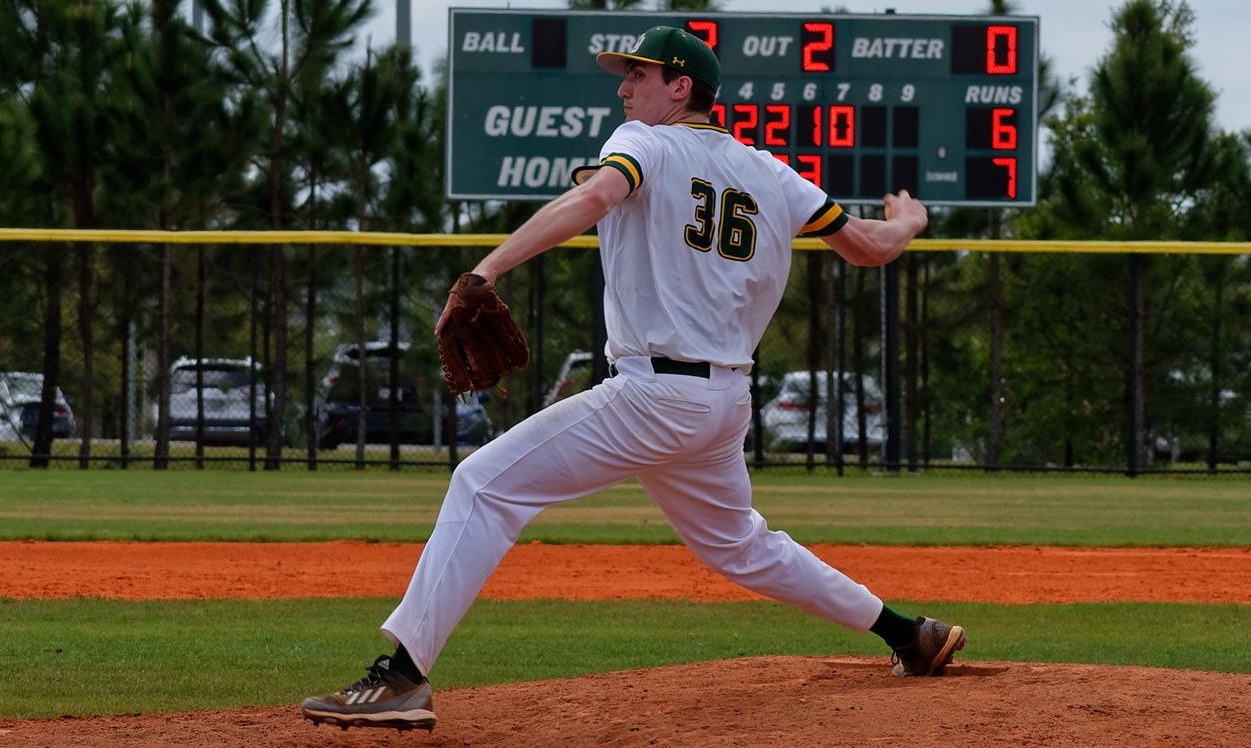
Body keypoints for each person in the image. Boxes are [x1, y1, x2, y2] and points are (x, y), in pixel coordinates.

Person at [302, 25, 964, 732]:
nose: (622, 88)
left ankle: (402, 678)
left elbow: (593, 200)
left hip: (655, 394)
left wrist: (484, 270)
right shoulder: (773, 174)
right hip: (722, 402)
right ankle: (907, 634)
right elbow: (865, 247)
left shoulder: (643, 144)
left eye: (638, 75)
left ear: (681, 88)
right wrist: (909, 223)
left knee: (483, 483)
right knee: (740, 544)